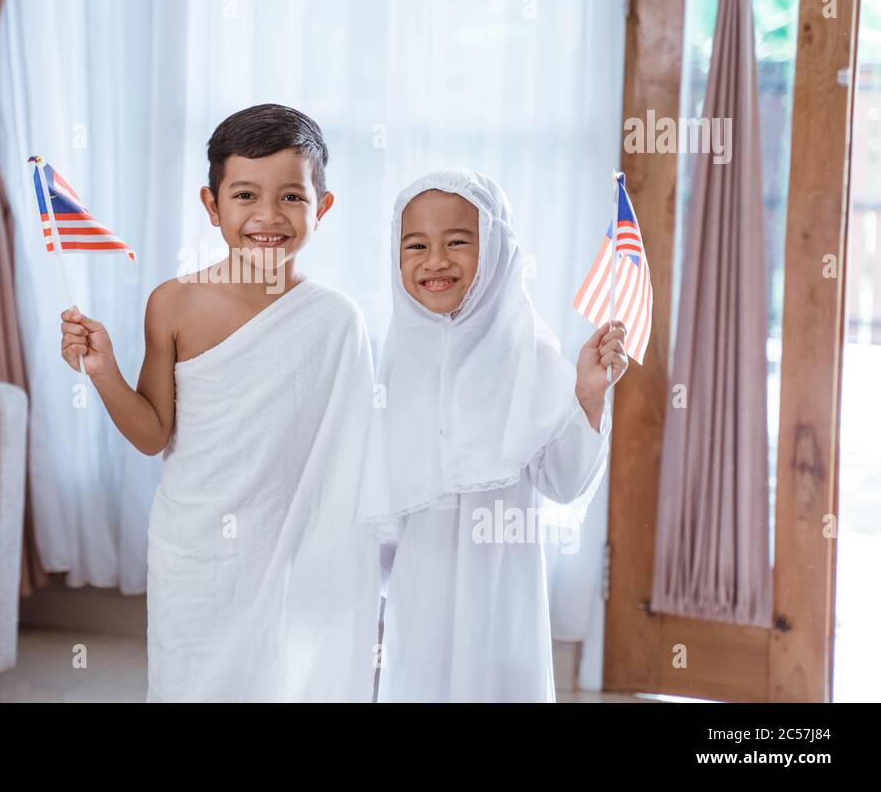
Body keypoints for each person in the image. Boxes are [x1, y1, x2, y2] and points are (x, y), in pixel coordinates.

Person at [60, 104, 381, 701]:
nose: (267, 216)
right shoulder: (174, 303)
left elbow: (354, 452)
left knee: (280, 681)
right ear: (211, 206)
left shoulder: (337, 320)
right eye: (244, 195)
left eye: (291, 197)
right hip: (197, 549)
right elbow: (154, 433)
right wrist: (102, 370)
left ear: (323, 207)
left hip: (291, 551)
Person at [358, 169, 627, 701]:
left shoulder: (528, 349)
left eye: (458, 241)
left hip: (503, 578)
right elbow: (381, 493)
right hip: (422, 581)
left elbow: (566, 482)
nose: (435, 260)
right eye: (416, 245)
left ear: (498, 248)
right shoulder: (398, 356)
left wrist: (588, 394)